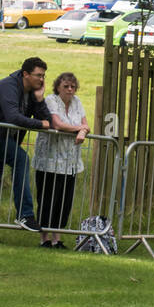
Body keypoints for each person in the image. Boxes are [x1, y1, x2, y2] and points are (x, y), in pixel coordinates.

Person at [0, 56, 50, 239]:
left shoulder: (31, 93)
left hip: (2, 136)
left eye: (44, 75)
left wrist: (40, 99)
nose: (42, 79)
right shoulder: (8, 86)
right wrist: (41, 124)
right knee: (21, 159)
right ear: (26, 74)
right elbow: (14, 117)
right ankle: (25, 214)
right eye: (38, 75)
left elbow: (48, 120)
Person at [31, 73, 90, 247]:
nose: (70, 89)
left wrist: (82, 131)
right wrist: (80, 128)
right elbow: (57, 124)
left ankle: (57, 239)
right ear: (58, 87)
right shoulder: (51, 101)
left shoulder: (77, 102)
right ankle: (44, 238)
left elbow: (86, 124)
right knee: (48, 199)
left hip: (70, 162)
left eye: (72, 86)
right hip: (50, 161)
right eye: (66, 86)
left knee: (63, 202)